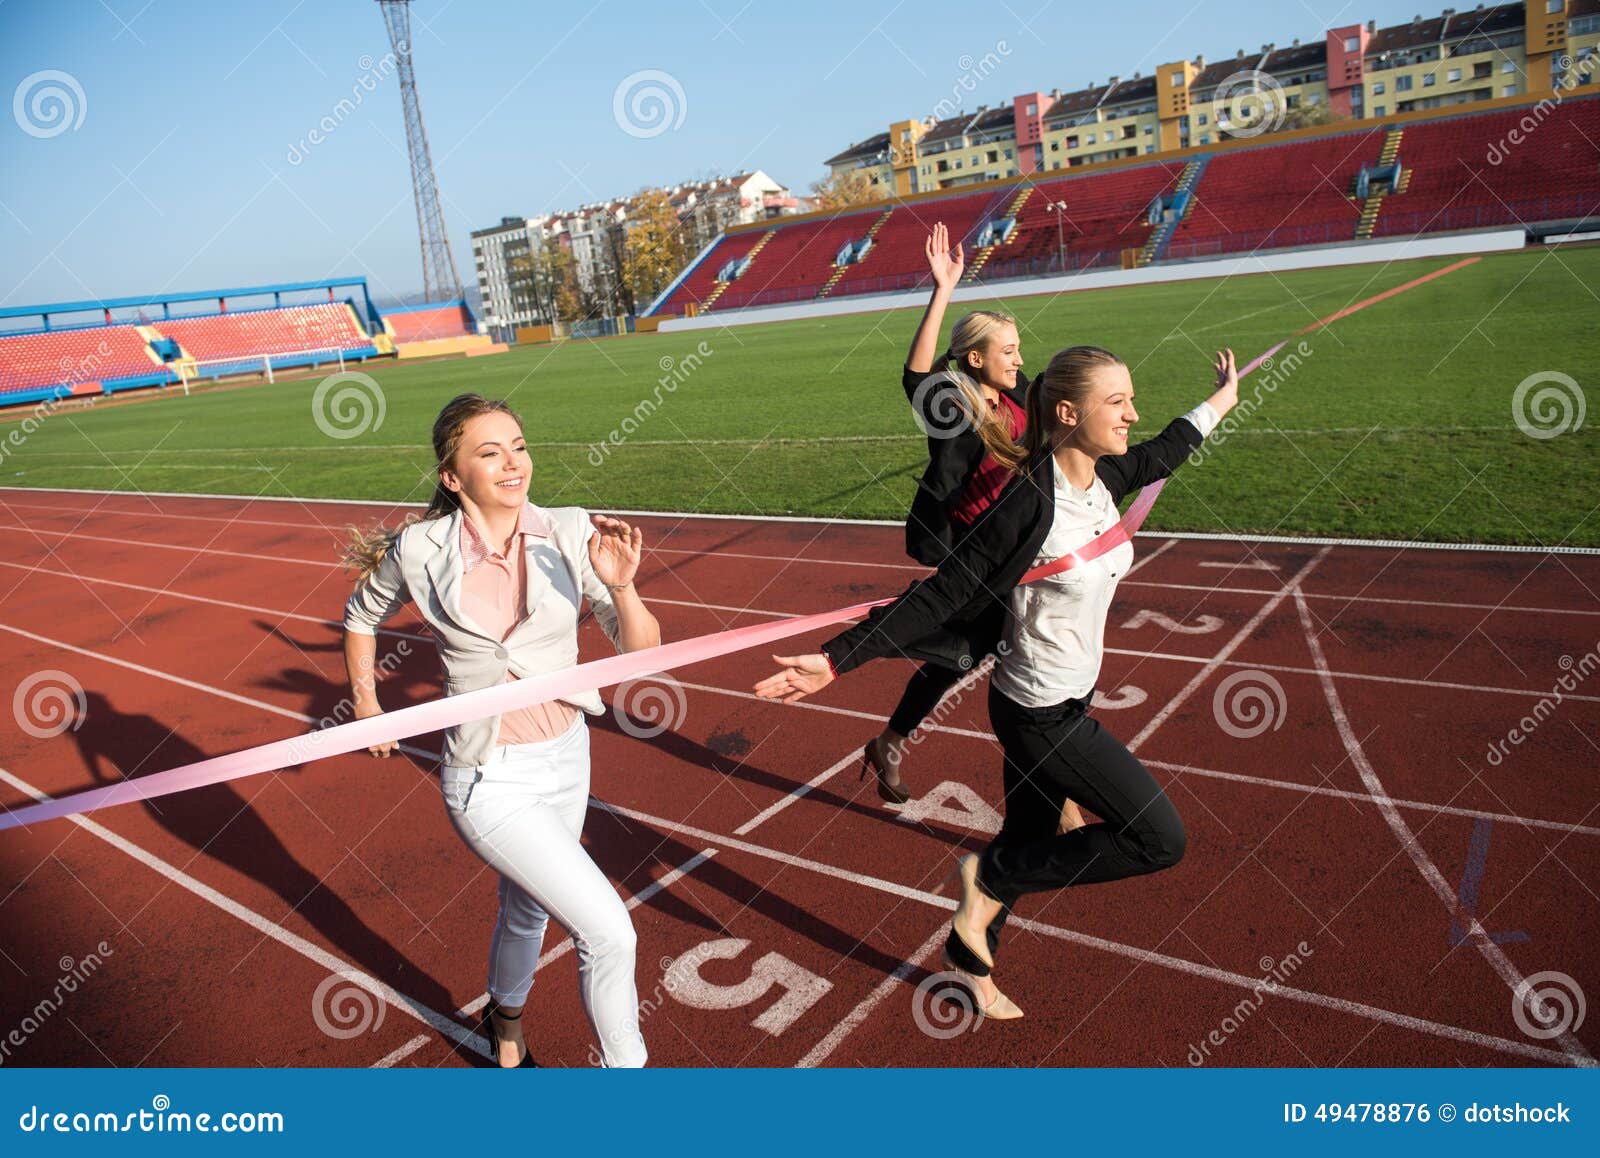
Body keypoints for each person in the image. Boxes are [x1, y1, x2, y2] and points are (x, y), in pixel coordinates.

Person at [757, 346, 1240, 1018]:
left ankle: (968, 960)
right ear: (1068, 414)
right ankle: (986, 881)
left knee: (1029, 832)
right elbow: (941, 595)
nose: (1134, 414)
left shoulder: (1104, 477)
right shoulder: (1027, 505)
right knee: (1158, 839)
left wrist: (1221, 400)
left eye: (1132, 400)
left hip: (1072, 695)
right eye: (1118, 402)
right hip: (1039, 714)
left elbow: (1167, 450)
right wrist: (836, 659)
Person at [341, 392, 660, 1068]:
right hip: (488, 778)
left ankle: (503, 1021)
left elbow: (643, 654)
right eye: (490, 452)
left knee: (528, 911)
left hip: (567, 757)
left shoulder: (571, 530)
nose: (513, 463)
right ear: (452, 478)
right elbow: (360, 616)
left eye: (518, 445)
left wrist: (625, 588)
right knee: (610, 932)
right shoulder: (421, 548)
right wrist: (367, 705)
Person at [863, 223, 1082, 838]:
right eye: (1007, 350)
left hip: (1015, 554)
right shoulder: (959, 407)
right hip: (973, 560)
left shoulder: (1020, 407)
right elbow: (915, 376)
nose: (1019, 358)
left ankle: (890, 741)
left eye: (1019, 349)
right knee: (1017, 664)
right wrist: (943, 291)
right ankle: (1058, 799)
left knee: (964, 658)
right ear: (977, 358)